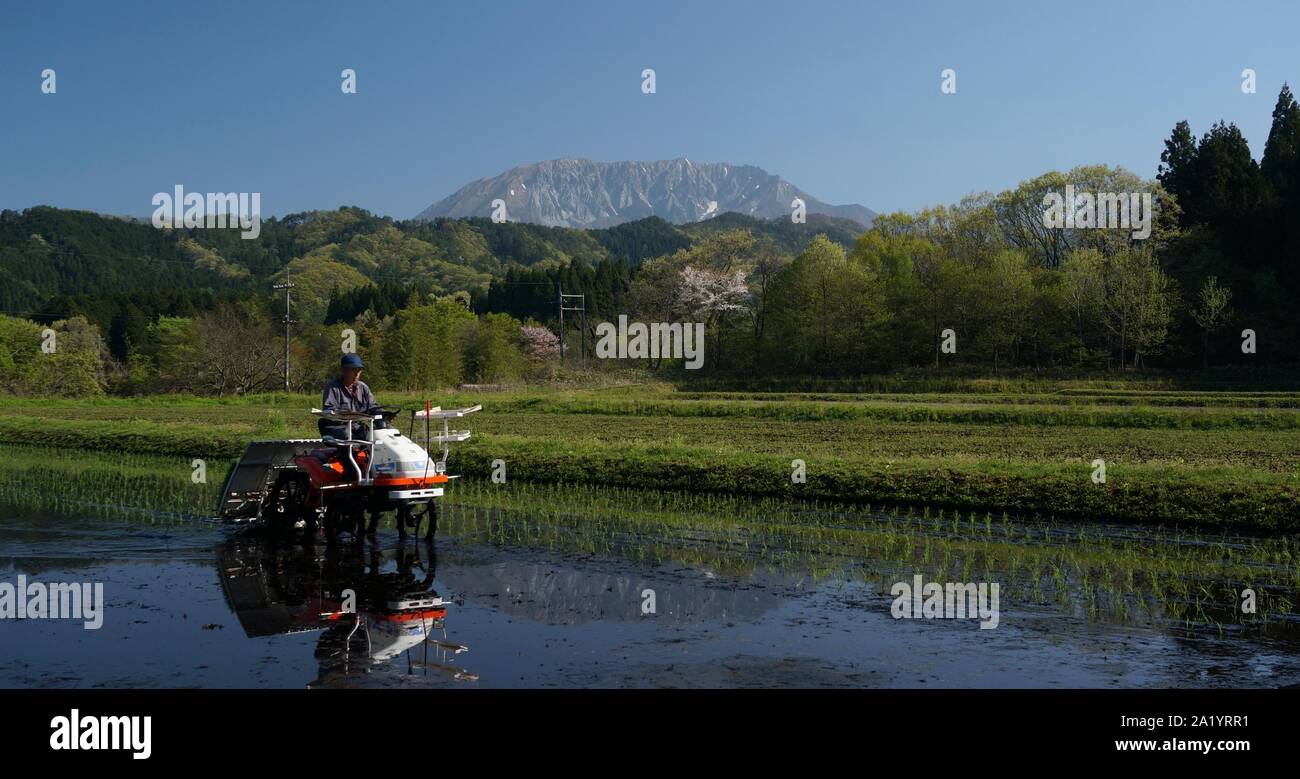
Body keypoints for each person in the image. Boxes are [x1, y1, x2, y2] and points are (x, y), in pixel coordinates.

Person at [320, 353, 379, 441]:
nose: (356, 374)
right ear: (343, 370)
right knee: (348, 434)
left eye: (359, 370)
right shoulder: (332, 387)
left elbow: (373, 407)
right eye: (353, 370)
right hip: (338, 428)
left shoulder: (363, 387)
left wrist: (384, 413)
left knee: (377, 435)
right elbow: (329, 410)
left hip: (357, 427)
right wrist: (347, 415)